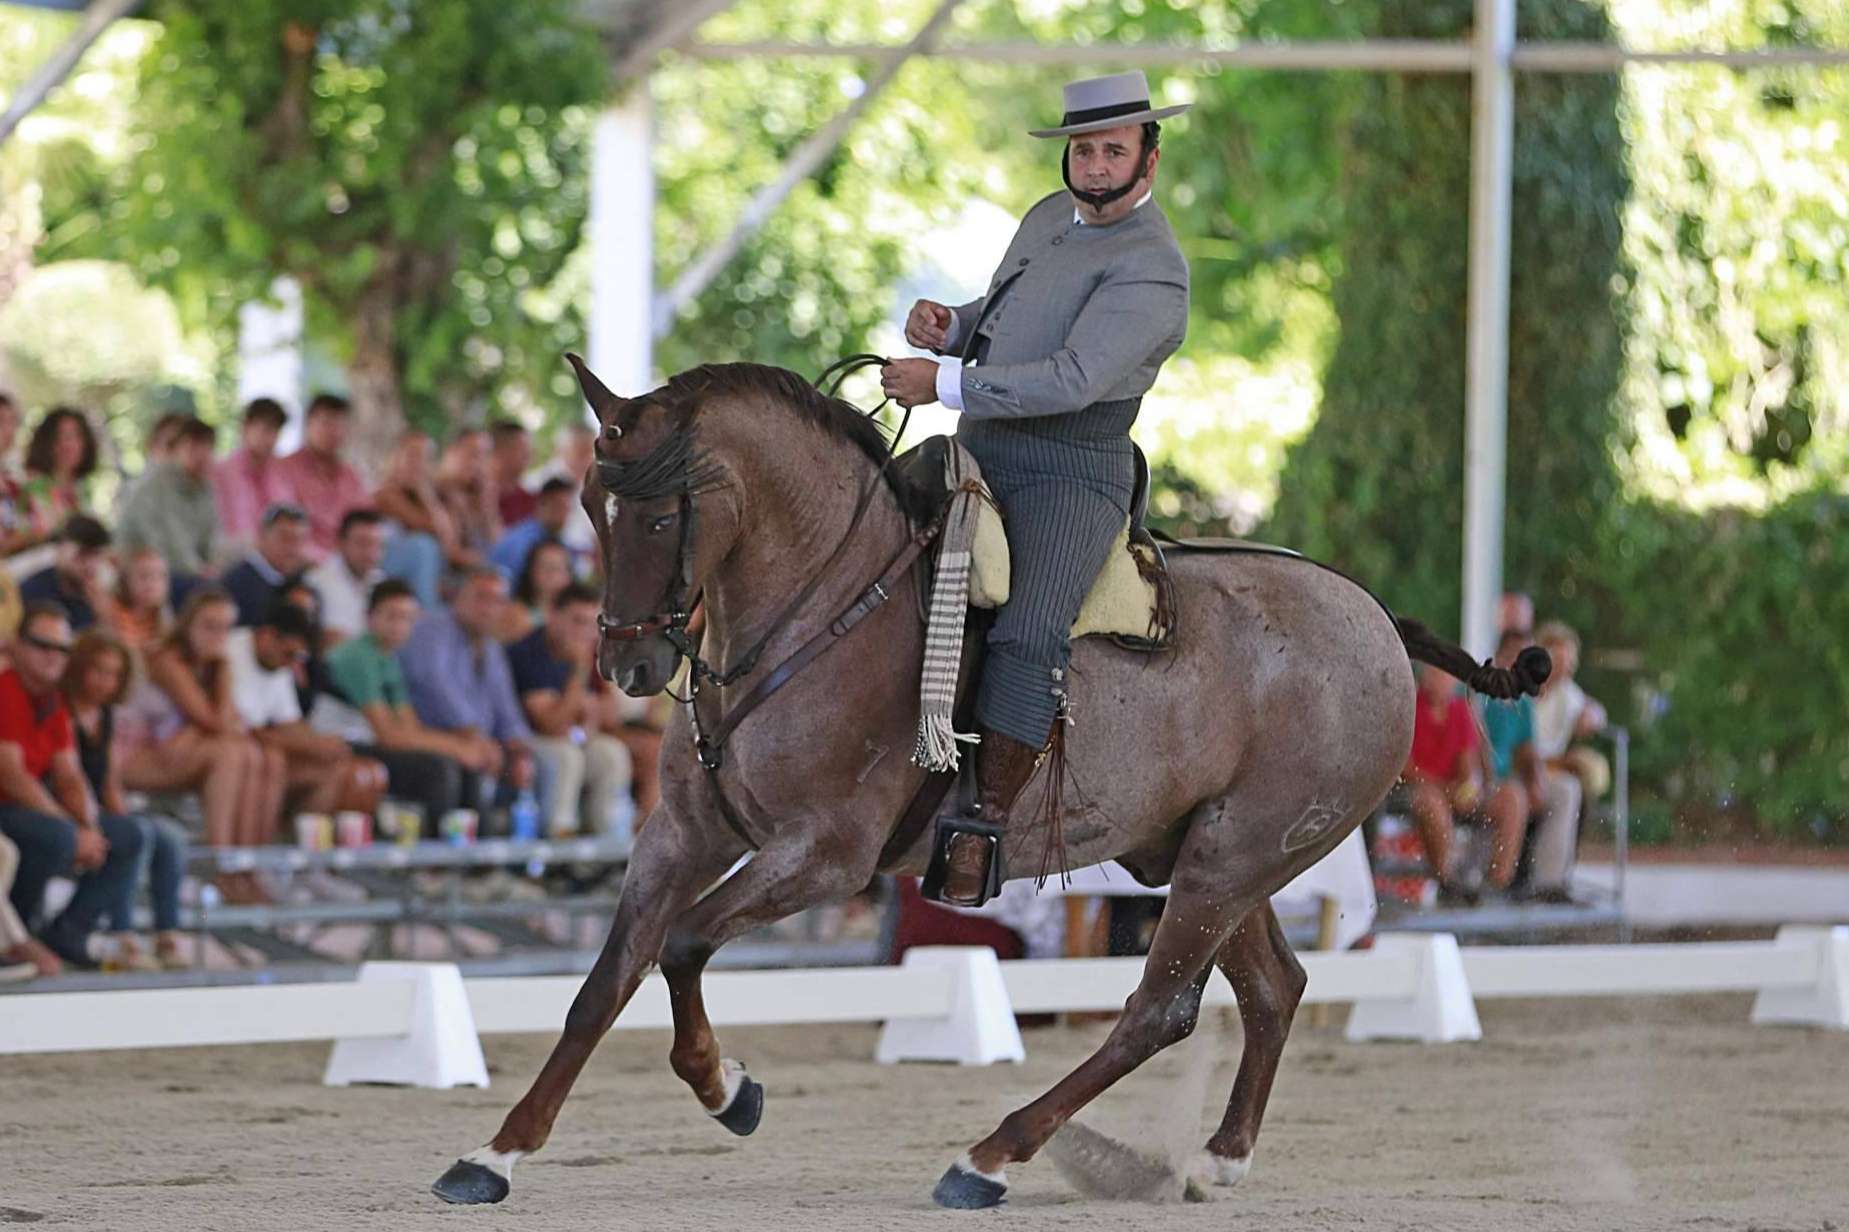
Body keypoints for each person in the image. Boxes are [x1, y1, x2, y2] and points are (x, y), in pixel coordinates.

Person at [881, 70, 1191, 906]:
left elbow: (1072, 377)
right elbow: (1014, 313)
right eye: (1083, 150)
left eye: (1111, 150)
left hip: (1068, 468)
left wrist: (943, 381)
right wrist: (958, 323)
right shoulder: (1047, 219)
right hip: (980, 438)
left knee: (1027, 630)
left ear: (1148, 159)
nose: (1093, 165)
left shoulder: (1155, 270)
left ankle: (983, 826)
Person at [0, 602, 146, 967]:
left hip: (30, 809)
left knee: (128, 835)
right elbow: (11, 775)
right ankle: (16, 937)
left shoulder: (52, 700)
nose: (53, 657)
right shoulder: (7, 688)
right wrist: (71, 828)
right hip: (8, 809)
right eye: (42, 645)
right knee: (55, 837)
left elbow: (70, 774)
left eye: (62, 649)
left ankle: (69, 931)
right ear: (16, 645)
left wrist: (89, 826)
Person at [121, 588, 281, 898]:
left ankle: (247, 866)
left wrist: (221, 674)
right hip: (135, 755)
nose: (218, 636)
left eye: (225, 628)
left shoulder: (212, 665)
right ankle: (221, 864)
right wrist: (223, 674)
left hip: (178, 750)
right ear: (187, 625)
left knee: (262, 755)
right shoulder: (167, 660)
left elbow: (234, 725)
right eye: (210, 626)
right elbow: (216, 723)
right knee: (230, 754)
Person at [62, 630, 188, 970]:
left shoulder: (106, 717)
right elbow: (66, 778)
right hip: (66, 808)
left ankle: (167, 932)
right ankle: (123, 932)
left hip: (98, 806)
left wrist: (122, 812)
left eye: (114, 674)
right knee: (132, 836)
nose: (106, 682)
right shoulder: (61, 710)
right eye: (99, 671)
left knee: (170, 837)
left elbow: (110, 781)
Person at [325, 580, 485, 831]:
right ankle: (433, 859)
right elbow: (387, 735)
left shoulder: (388, 658)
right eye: (392, 617)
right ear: (369, 617)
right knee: (440, 768)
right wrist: (456, 747)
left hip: (371, 742)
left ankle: (475, 859)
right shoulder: (356, 656)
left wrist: (460, 747)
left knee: (467, 765)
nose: (399, 626)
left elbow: (410, 727)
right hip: (341, 743)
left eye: (408, 619)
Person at [398, 566, 538, 810]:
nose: (488, 609)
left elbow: (506, 706)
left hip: (478, 741)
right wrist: (476, 737)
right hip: (431, 737)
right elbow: (435, 687)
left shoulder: (492, 648)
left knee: (541, 763)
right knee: (471, 763)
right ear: (458, 597)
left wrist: (519, 748)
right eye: (481, 597)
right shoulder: (431, 630)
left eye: (498, 601)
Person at [226, 604, 381, 823]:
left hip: (260, 752)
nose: (292, 664)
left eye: (299, 657)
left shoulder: (280, 664)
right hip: (235, 752)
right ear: (268, 636)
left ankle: (304, 842)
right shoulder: (231, 653)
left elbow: (290, 723)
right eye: (289, 654)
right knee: (273, 761)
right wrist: (308, 745)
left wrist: (322, 744)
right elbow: (245, 733)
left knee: (343, 769)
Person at [507, 583, 633, 838]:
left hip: (571, 739)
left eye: (592, 625)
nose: (585, 633)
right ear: (553, 614)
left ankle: (608, 845)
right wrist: (579, 673)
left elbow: (611, 718)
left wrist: (588, 703)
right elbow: (551, 724)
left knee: (611, 752)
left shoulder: (587, 652)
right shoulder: (529, 652)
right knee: (566, 756)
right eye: (577, 621)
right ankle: (559, 843)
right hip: (524, 745)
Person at [1403, 663, 1528, 902]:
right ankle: (1447, 881)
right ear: (1425, 678)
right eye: (1437, 674)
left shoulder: (1460, 710)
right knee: (1431, 803)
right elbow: (1406, 769)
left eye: (1447, 676)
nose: (1443, 681)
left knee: (1512, 797)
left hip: (1451, 789)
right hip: (1424, 789)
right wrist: (1447, 789)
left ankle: (1498, 881)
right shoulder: (1411, 708)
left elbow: (1467, 761)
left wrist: (1468, 786)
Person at [1529, 621, 1608, 902]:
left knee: (1578, 789)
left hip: (1547, 769)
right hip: (1522, 768)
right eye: (1561, 660)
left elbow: (1593, 710)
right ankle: (1547, 879)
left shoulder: (1567, 693)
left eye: (1570, 661)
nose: (1568, 668)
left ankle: (1556, 876)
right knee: (1567, 790)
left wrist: (1593, 715)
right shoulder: (1524, 688)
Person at [1478, 628, 1544, 892]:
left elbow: (1527, 749)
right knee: (1514, 798)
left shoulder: (1523, 703)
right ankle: (1499, 884)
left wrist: (1536, 780)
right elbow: (1475, 746)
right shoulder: (1480, 693)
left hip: (1505, 780)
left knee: (1551, 794)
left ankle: (1540, 880)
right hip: (1479, 780)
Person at [116, 415, 221, 580]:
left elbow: (211, 538)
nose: (201, 454)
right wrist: (200, 572)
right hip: (144, 575)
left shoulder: (204, 488)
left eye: (207, 446)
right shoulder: (156, 485)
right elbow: (171, 546)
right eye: (193, 446)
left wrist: (213, 566)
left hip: (181, 572)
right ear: (176, 449)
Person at [272, 394, 369, 559]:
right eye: (326, 423)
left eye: (340, 425)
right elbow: (285, 528)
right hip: (302, 560)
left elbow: (364, 521)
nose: (334, 432)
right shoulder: (284, 469)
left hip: (349, 562)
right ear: (308, 424)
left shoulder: (351, 476)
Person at [373, 430, 462, 606]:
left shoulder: (431, 497)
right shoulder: (386, 494)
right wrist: (425, 493)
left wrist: (428, 495)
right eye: (412, 455)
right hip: (383, 571)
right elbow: (431, 528)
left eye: (425, 458)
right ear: (396, 457)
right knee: (423, 546)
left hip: (422, 577)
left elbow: (449, 542)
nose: (418, 464)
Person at [213, 397, 295, 553]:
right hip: (235, 554)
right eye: (265, 428)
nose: (270, 437)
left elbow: (288, 518)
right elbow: (230, 529)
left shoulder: (282, 473)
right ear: (245, 428)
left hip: (276, 556)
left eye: (276, 430)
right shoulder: (223, 472)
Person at [220, 502, 311, 625]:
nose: (292, 548)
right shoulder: (235, 583)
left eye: (298, 540)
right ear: (262, 536)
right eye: (284, 538)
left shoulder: (305, 581)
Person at [306, 508, 387, 645]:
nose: (371, 553)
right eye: (362, 543)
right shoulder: (317, 582)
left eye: (377, 545)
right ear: (340, 543)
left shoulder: (380, 581)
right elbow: (331, 641)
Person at [19, 515, 111, 631]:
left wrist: (103, 615)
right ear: (61, 547)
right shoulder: (33, 592)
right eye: (83, 553)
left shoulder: (94, 597)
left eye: (97, 555)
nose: (91, 565)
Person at [488, 477, 582, 581]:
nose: (564, 514)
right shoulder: (520, 543)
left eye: (567, 507)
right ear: (542, 504)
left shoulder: (559, 541)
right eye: (559, 506)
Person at [21, 406, 99, 530]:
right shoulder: (34, 484)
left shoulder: (82, 487)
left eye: (75, 436)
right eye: (59, 436)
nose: (67, 445)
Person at [435, 429, 500, 568]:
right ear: (451, 452)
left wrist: (487, 505)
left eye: (485, 456)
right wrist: (490, 563)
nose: (479, 463)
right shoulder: (436, 488)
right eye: (473, 454)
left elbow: (499, 544)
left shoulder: (478, 494)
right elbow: (452, 552)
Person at [534, 420, 597, 558]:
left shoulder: (597, 484)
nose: (588, 458)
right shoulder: (536, 484)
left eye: (592, 452)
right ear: (561, 450)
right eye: (581, 452)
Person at [496, 537, 573, 644]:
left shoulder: (578, 614)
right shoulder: (514, 613)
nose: (551, 574)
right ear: (531, 571)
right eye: (545, 566)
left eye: (558, 568)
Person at [103, 546, 174, 654]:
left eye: (160, 576)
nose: (152, 584)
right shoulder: (111, 610)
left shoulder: (164, 616)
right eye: (144, 576)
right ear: (126, 580)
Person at [489, 419, 536, 527]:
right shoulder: (473, 498)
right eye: (523, 449)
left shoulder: (531, 501)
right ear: (500, 452)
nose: (529, 456)